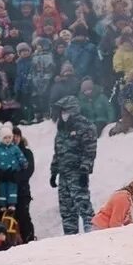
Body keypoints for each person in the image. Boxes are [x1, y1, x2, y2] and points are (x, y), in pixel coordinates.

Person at [49, 96, 96, 235]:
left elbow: (89, 151)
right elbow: (58, 151)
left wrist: (84, 170)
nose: (63, 114)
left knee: (83, 205)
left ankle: (93, 233)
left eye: (66, 111)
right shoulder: (62, 128)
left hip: (77, 173)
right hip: (63, 174)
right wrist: (54, 171)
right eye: (62, 111)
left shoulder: (85, 127)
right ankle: (70, 238)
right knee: (67, 210)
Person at [0, 125, 26, 211]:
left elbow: (20, 156)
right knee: (2, 189)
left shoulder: (15, 148)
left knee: (12, 188)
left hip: (13, 171)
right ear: (1, 138)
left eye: (9, 137)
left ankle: (12, 203)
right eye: (5, 138)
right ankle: (2, 204)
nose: (8, 140)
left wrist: (23, 163)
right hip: (1, 173)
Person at [10, 127, 35, 243]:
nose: (15, 138)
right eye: (13, 136)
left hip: (22, 190)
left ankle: (28, 239)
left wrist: (15, 177)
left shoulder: (26, 152)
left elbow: (29, 170)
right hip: (8, 190)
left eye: (17, 136)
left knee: (23, 215)